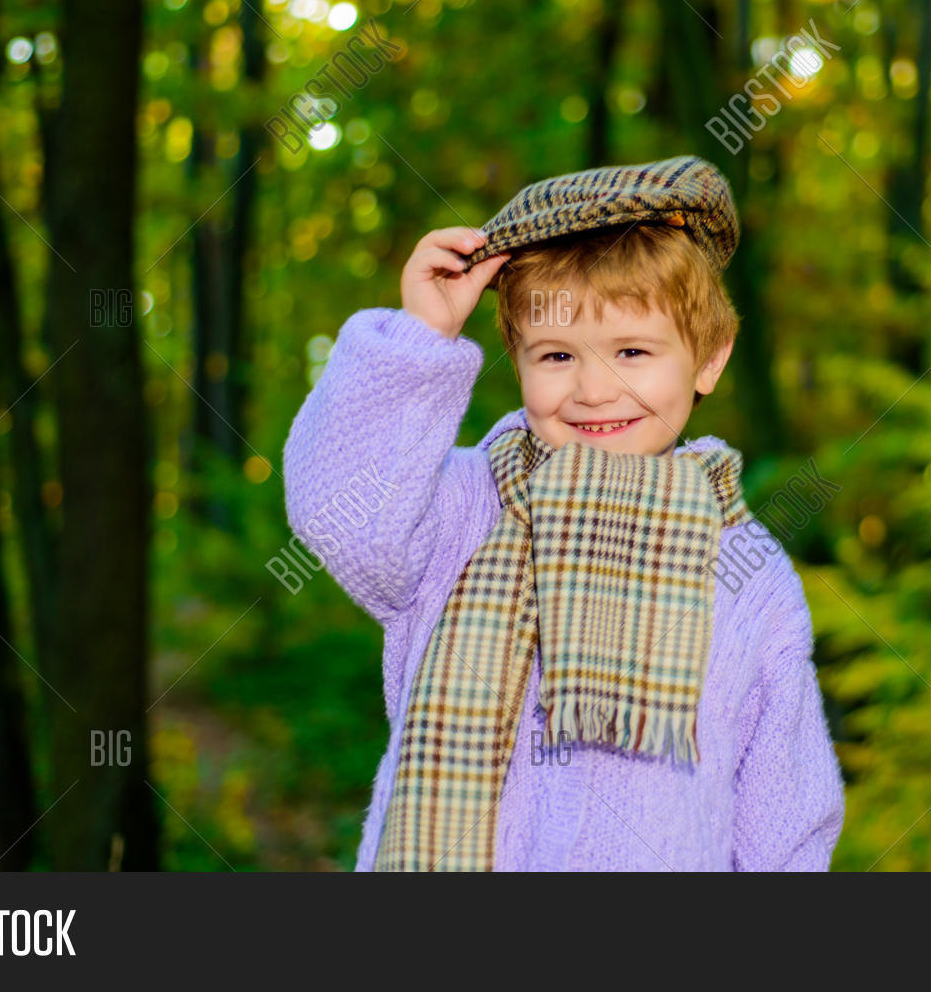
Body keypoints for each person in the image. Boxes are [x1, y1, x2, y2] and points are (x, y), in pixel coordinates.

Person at [283, 156, 844, 871]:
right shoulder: (459, 505)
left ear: (707, 359)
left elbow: (786, 814)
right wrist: (423, 338)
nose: (592, 389)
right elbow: (340, 514)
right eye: (556, 355)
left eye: (632, 350)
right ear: (515, 359)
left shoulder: (745, 567)